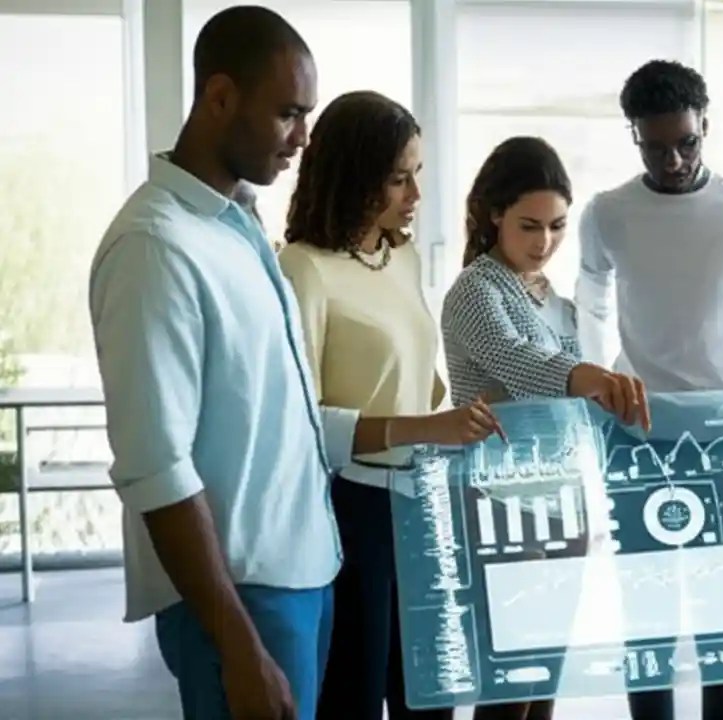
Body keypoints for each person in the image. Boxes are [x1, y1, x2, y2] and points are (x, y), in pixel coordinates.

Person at [87, 8, 500, 720]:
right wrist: (238, 643)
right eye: (287, 114)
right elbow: (155, 467)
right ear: (219, 98)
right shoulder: (157, 245)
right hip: (242, 594)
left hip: (308, 572)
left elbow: (295, 420)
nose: (304, 138)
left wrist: (424, 431)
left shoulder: (238, 227)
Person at [572, 57, 723, 720]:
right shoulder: (607, 213)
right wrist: (598, 407)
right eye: (655, 146)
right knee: (647, 622)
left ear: (707, 127)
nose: (673, 160)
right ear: (633, 136)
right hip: (637, 444)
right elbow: (590, 305)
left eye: (687, 143)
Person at [278, 90, 497, 720]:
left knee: (432, 697)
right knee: (352, 693)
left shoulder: (396, 256)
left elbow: (418, 378)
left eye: (417, 175)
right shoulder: (301, 269)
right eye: (399, 178)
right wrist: (430, 426)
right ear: (354, 174)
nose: (415, 196)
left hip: (424, 500)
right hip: (355, 510)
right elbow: (303, 424)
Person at [440, 136, 651, 720]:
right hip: (499, 501)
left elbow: (582, 399)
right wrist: (592, 376)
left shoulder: (554, 299)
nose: (545, 243)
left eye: (557, 227)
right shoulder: (474, 291)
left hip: (560, 499)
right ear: (493, 215)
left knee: (545, 678)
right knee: (510, 683)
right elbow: (522, 365)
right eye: (530, 226)